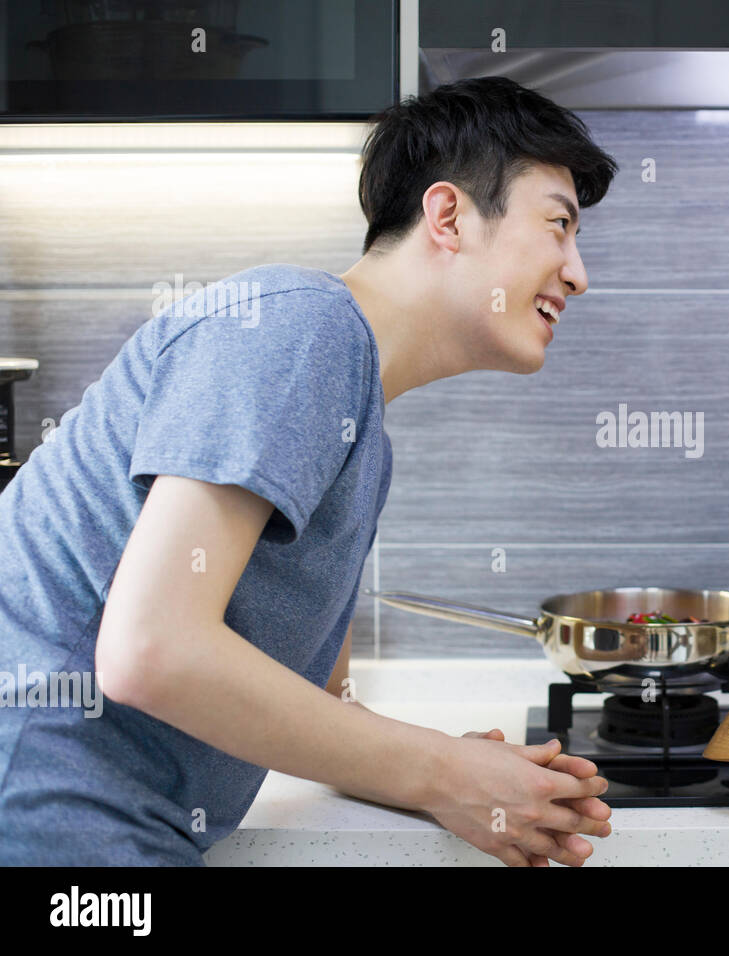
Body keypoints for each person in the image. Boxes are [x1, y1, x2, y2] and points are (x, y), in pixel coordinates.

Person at [0, 77, 620, 867]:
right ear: (450, 216)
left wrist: (457, 773)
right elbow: (152, 649)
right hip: (39, 817)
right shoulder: (297, 324)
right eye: (559, 225)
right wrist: (442, 770)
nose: (577, 274)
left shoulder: (359, 429)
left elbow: (320, 705)